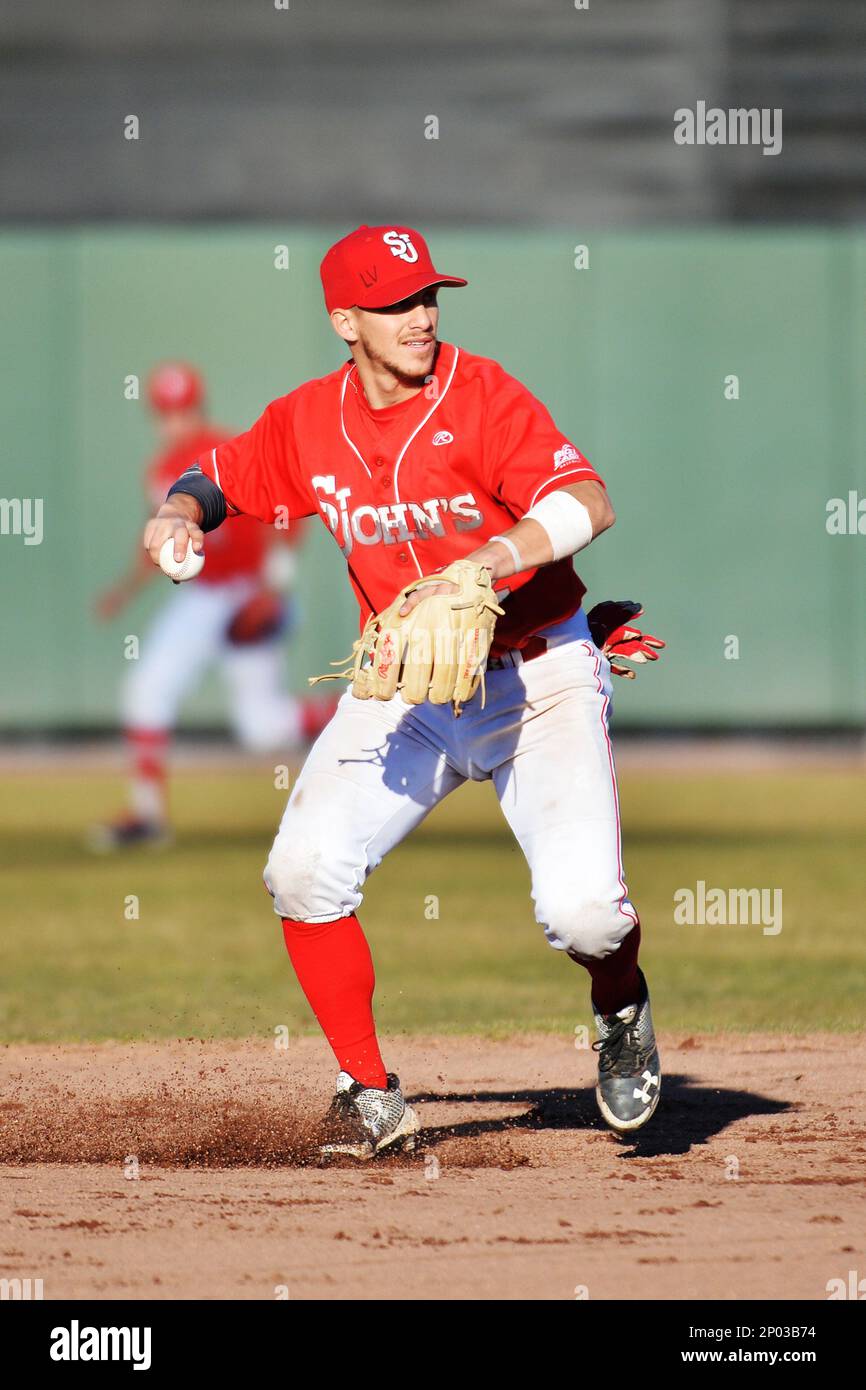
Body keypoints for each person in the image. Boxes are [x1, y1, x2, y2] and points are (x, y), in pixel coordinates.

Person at [142, 227, 664, 1154]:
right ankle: (368, 1092)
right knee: (303, 874)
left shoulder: (484, 395)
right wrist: (179, 515)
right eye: (394, 304)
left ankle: (620, 1008)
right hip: (404, 689)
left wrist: (495, 560)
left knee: (584, 913)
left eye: (428, 296)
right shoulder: (310, 420)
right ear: (345, 321)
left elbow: (588, 500)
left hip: (534, 678)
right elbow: (221, 479)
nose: (421, 316)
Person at [93, 361, 333, 850]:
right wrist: (125, 589)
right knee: (145, 688)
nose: (174, 420)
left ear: (198, 407)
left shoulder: (224, 452)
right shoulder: (160, 471)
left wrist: (273, 591)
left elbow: (287, 519)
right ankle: (146, 815)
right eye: (165, 411)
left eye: (182, 409)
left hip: (248, 590)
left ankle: (356, 711)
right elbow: (155, 541)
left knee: (262, 729)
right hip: (201, 596)